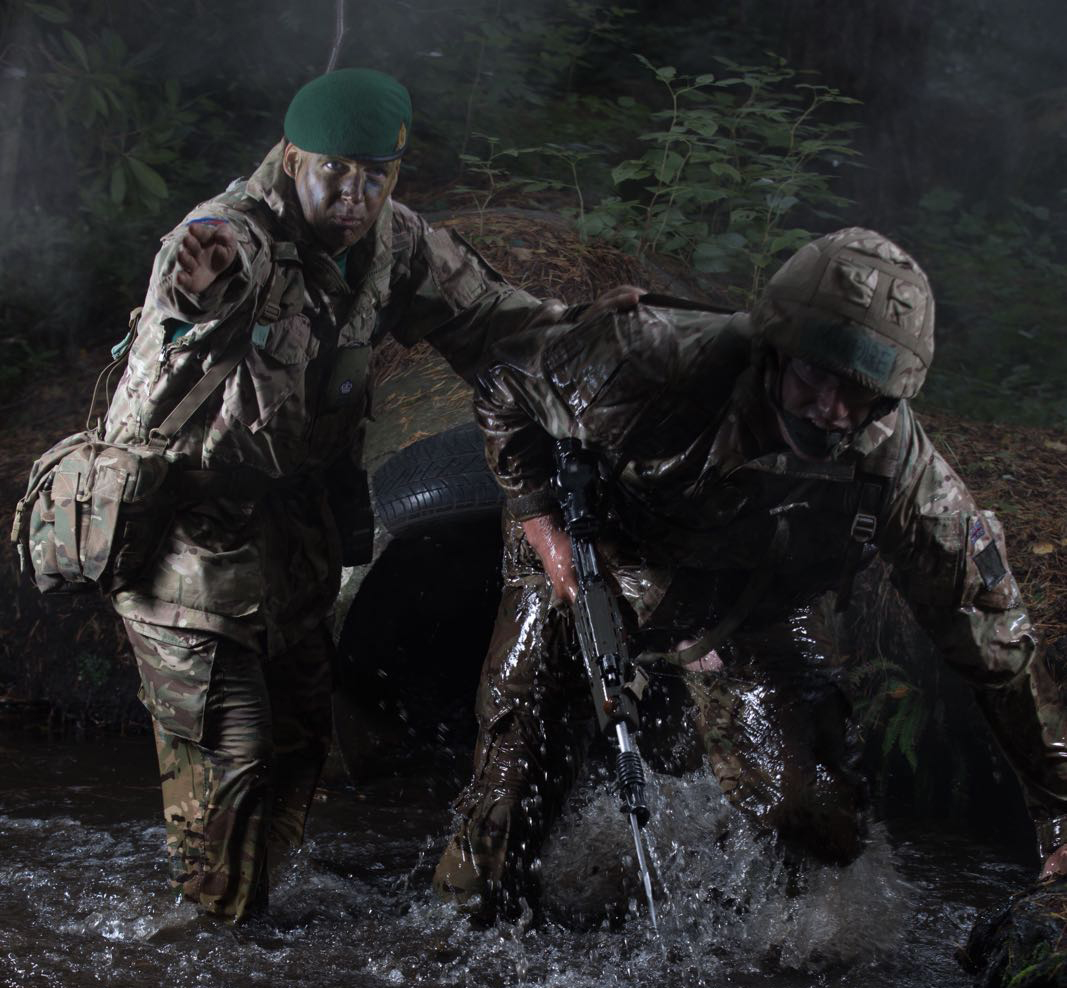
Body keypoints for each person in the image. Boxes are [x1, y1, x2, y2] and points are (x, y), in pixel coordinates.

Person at [102, 67, 627, 921]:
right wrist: (199, 294)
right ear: (291, 157)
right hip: (185, 540)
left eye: (373, 174)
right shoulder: (226, 235)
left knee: (304, 740)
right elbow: (189, 301)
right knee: (234, 753)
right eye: (333, 171)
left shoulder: (394, 242)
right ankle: (210, 935)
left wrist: (606, 341)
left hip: (291, 538)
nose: (353, 194)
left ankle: (237, 917)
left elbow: (494, 320)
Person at [432, 227, 1067, 921]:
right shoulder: (649, 358)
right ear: (774, 350)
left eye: (859, 395)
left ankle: (730, 904)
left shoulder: (902, 475)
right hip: (592, 560)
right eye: (816, 378)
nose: (831, 411)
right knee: (502, 817)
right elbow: (503, 379)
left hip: (751, 607)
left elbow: (994, 643)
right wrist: (545, 528)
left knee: (819, 821)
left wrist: (1060, 821)